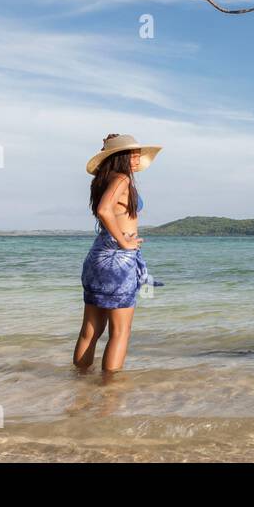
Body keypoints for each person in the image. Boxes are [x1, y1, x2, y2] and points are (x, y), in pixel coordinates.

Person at [73, 133, 164, 373]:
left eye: (138, 154)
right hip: (118, 260)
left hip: (98, 256)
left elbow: (105, 210)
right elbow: (104, 210)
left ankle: (79, 384)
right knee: (120, 332)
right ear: (119, 157)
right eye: (132, 154)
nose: (137, 159)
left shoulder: (103, 180)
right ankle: (109, 394)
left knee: (90, 331)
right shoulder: (122, 179)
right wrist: (123, 242)